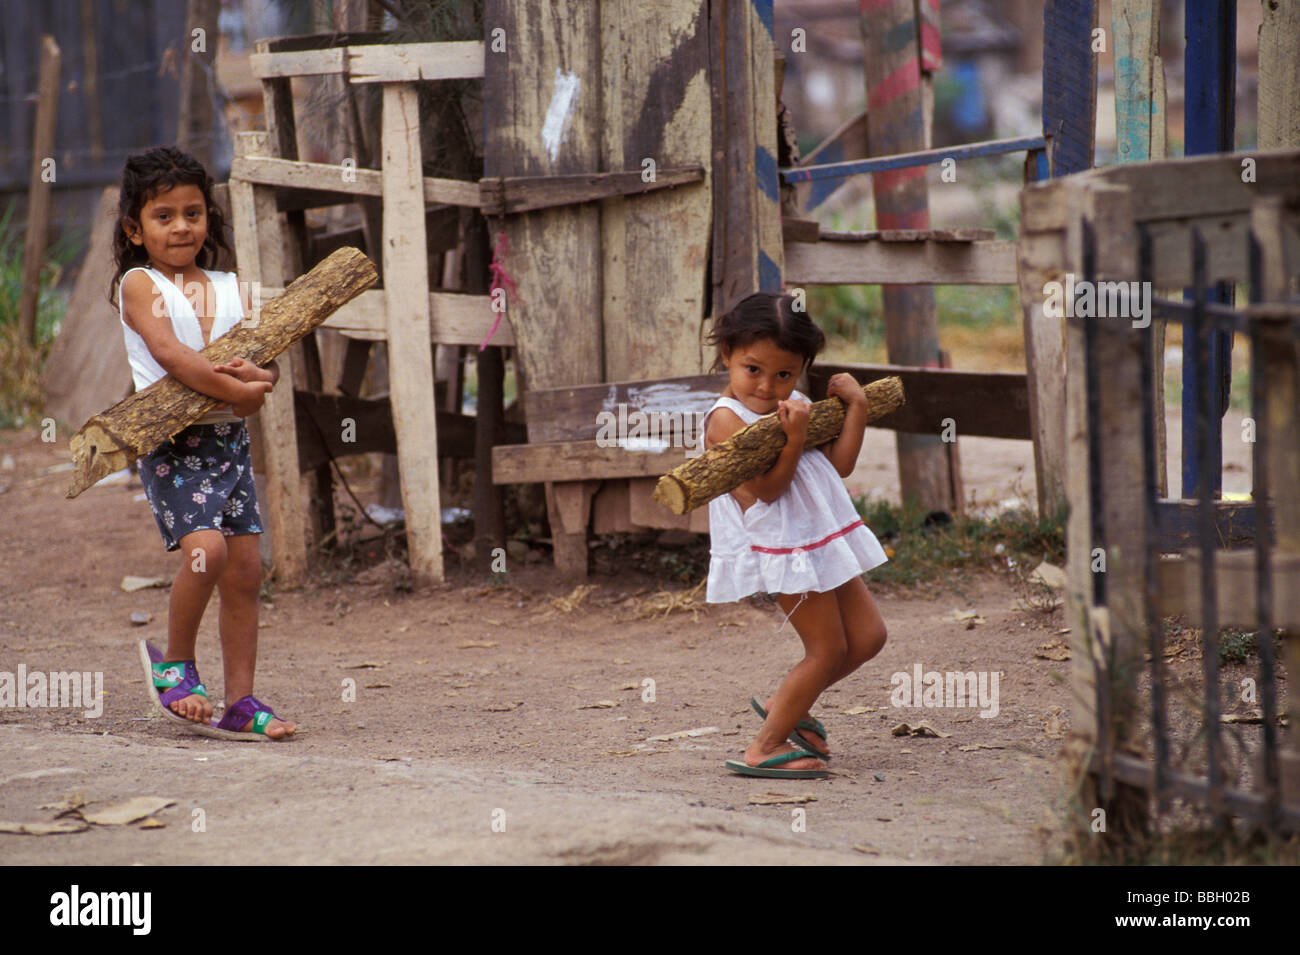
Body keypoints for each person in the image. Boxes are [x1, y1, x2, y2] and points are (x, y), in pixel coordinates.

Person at [112, 145, 295, 740]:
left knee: (244, 571)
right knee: (206, 553)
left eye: (193, 212)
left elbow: (259, 366)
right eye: (164, 216)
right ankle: (176, 668)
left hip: (229, 446)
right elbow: (173, 357)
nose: (182, 226)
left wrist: (257, 387)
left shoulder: (230, 286)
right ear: (134, 229)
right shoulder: (138, 285)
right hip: (174, 447)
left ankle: (241, 701)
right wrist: (244, 393)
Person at [703, 291, 888, 778]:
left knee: (868, 637)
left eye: (783, 374)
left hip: (819, 538)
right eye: (753, 369)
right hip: (783, 548)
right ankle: (764, 746)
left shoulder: (796, 405)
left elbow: (840, 465)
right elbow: (767, 492)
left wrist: (859, 407)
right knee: (826, 651)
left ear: (802, 368)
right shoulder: (726, 421)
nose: (767, 387)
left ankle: (789, 704)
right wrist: (796, 439)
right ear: (727, 356)